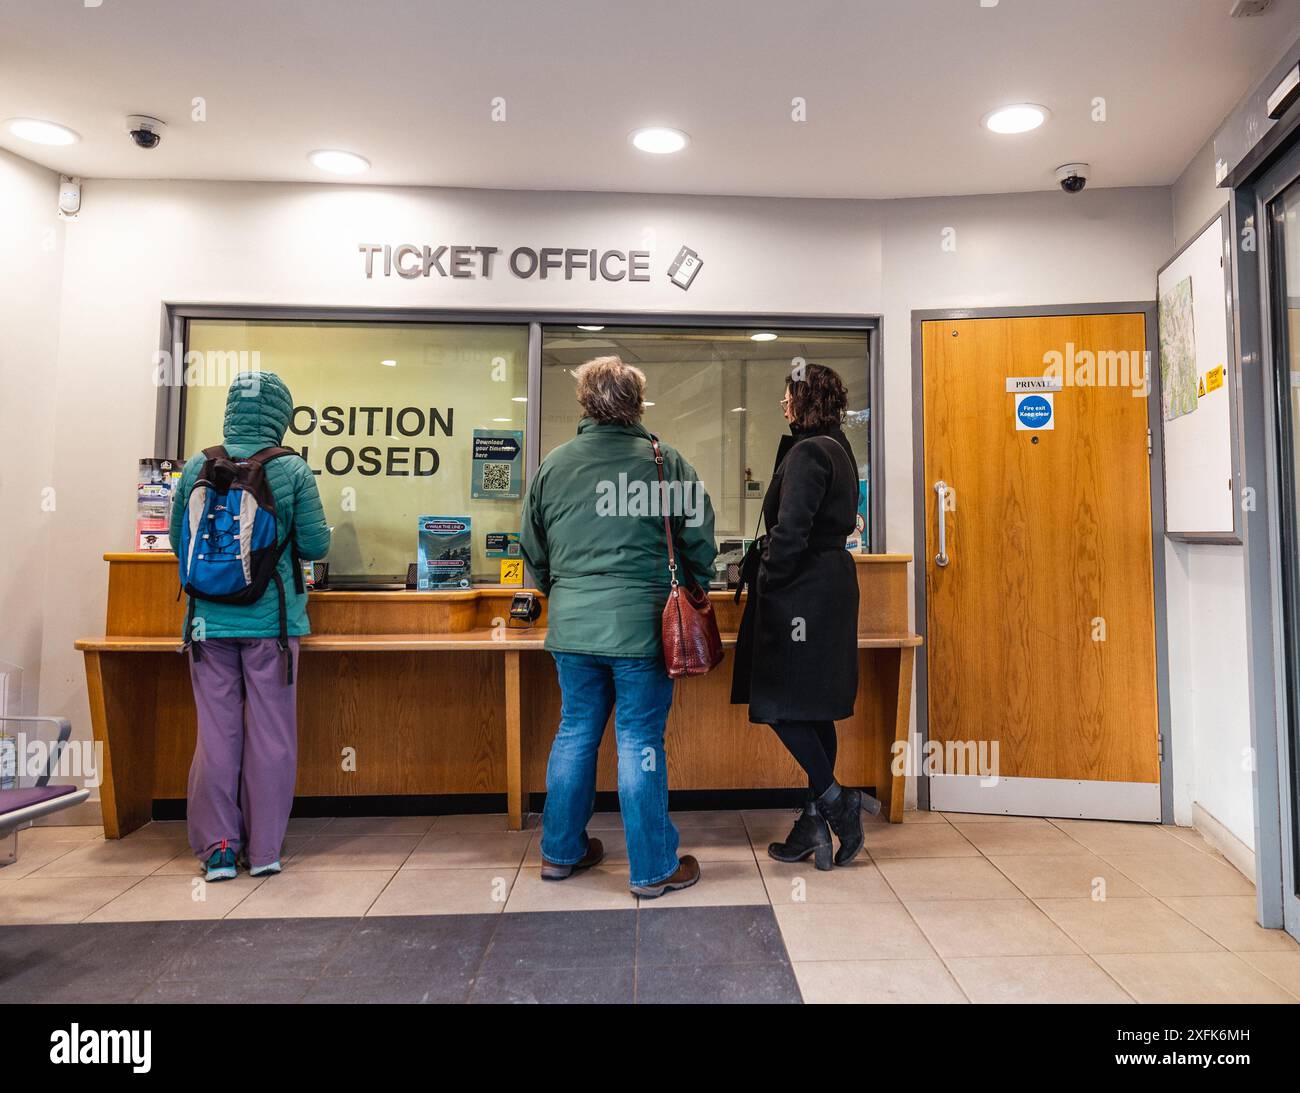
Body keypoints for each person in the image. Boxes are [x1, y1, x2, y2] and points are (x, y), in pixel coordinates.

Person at [520, 356, 717, 898]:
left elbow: (532, 552)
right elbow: (700, 543)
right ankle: (652, 868)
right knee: (638, 739)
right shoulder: (665, 462)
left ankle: (561, 852)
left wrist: (563, 594)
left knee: (576, 731)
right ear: (637, 403)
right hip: (643, 631)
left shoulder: (553, 466)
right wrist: (694, 582)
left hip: (572, 629)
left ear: (585, 403)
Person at [168, 371, 330, 882]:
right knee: (271, 735)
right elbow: (317, 547)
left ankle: (217, 851)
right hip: (272, 627)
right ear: (281, 416)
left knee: (216, 735)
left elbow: (179, 544)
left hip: (207, 625)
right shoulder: (292, 470)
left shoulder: (198, 463)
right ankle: (263, 851)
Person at [731, 363, 875, 870]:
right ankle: (813, 825)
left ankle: (838, 801)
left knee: (779, 704)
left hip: (801, 596)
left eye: (787, 395)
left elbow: (790, 534)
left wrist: (766, 571)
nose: (782, 404)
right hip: (829, 589)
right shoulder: (837, 447)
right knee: (814, 708)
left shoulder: (809, 452)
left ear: (804, 400)